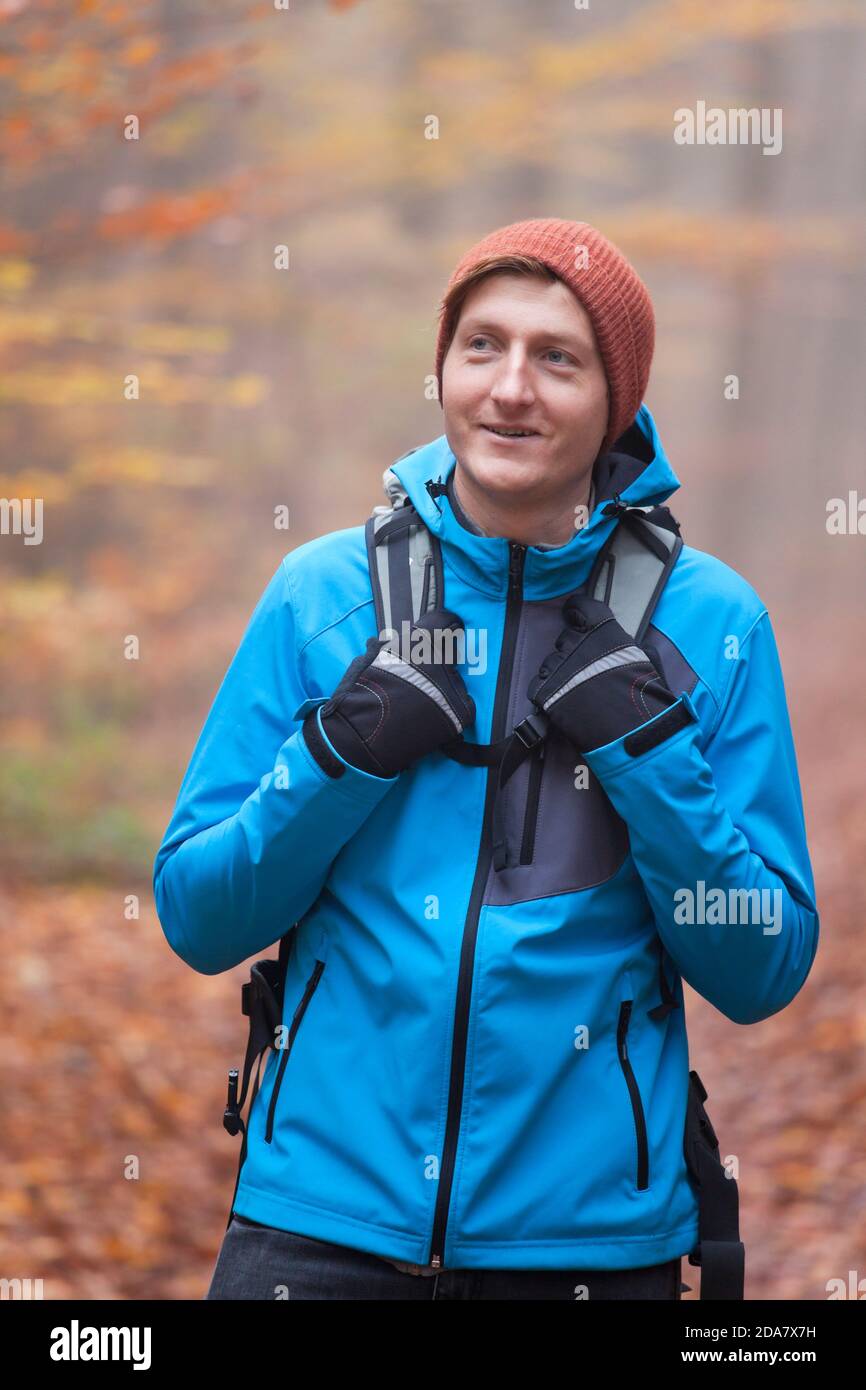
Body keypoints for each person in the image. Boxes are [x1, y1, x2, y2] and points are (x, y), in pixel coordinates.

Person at [153, 217, 819, 1301]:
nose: (510, 388)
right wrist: (340, 752)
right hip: (313, 1230)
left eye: (556, 358)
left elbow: (759, 969)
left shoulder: (714, 623)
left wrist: (646, 752)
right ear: (443, 368)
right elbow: (197, 913)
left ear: (616, 399)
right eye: (482, 346)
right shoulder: (321, 596)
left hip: (586, 1250)